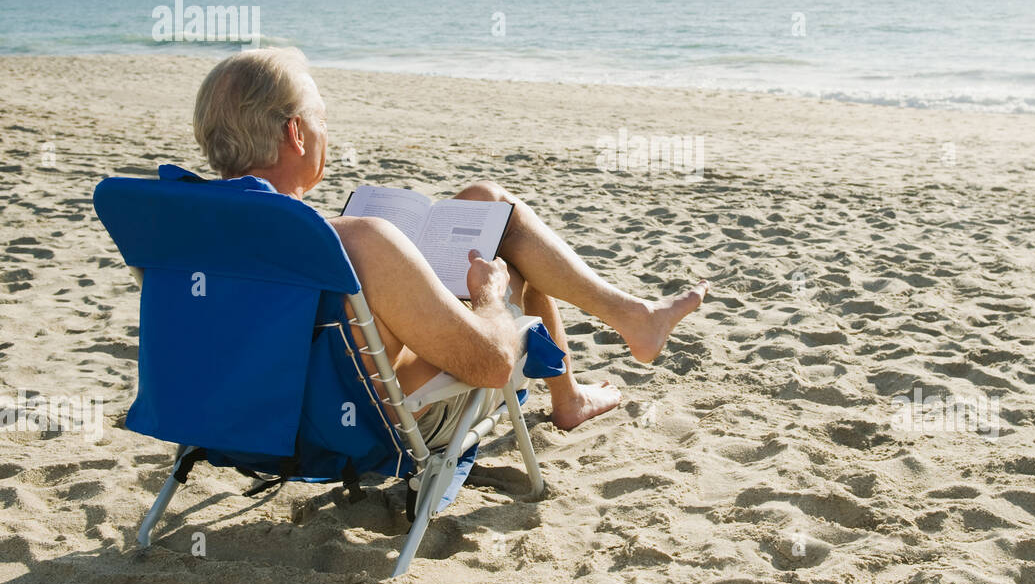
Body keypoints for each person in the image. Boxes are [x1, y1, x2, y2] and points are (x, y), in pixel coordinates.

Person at [191, 46, 707, 443]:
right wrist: (487, 298)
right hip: (370, 428)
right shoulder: (358, 241)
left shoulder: (183, 232)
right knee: (500, 251)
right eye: (321, 120)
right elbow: (493, 365)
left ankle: (610, 344)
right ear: (296, 135)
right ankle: (586, 376)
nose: (327, 133)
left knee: (484, 202)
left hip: (243, 421)